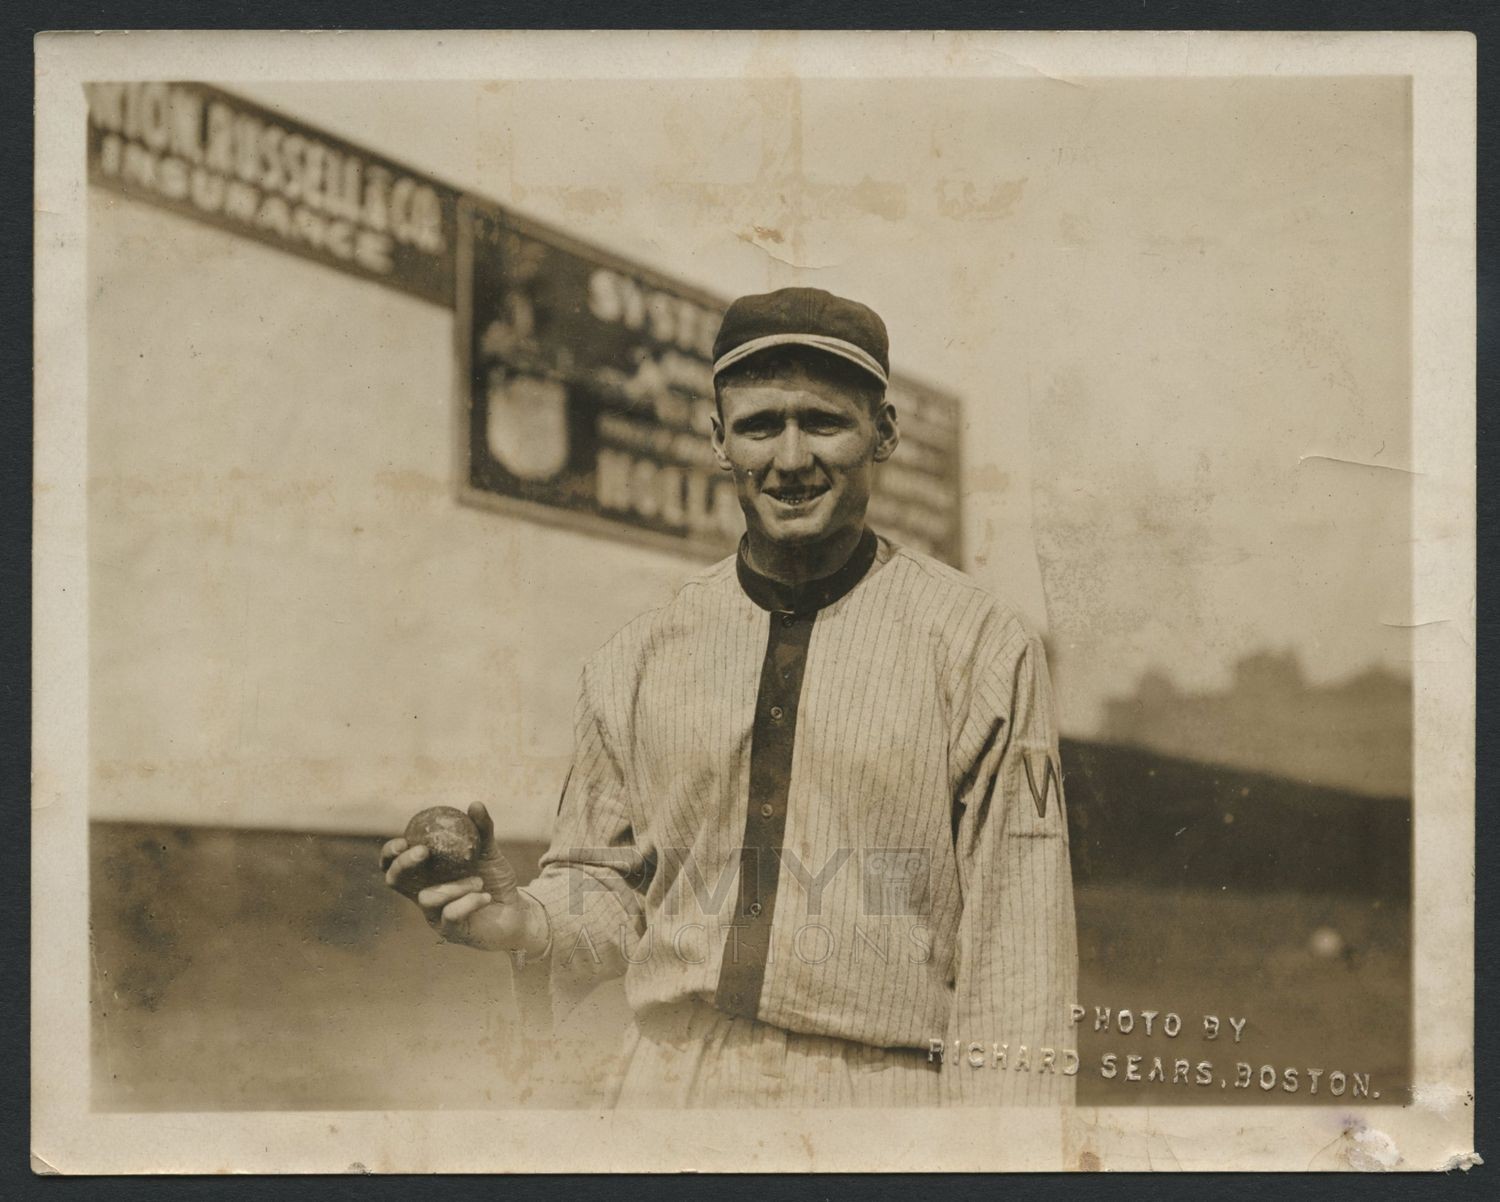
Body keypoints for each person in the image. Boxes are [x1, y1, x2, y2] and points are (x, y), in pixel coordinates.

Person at [381, 287, 1078, 1106]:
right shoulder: (636, 656)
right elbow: (615, 887)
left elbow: (1019, 955)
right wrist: (529, 920)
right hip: (669, 1090)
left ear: (883, 432)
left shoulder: (982, 648)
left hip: (877, 1097)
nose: (789, 459)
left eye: (823, 422)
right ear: (719, 440)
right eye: (758, 425)